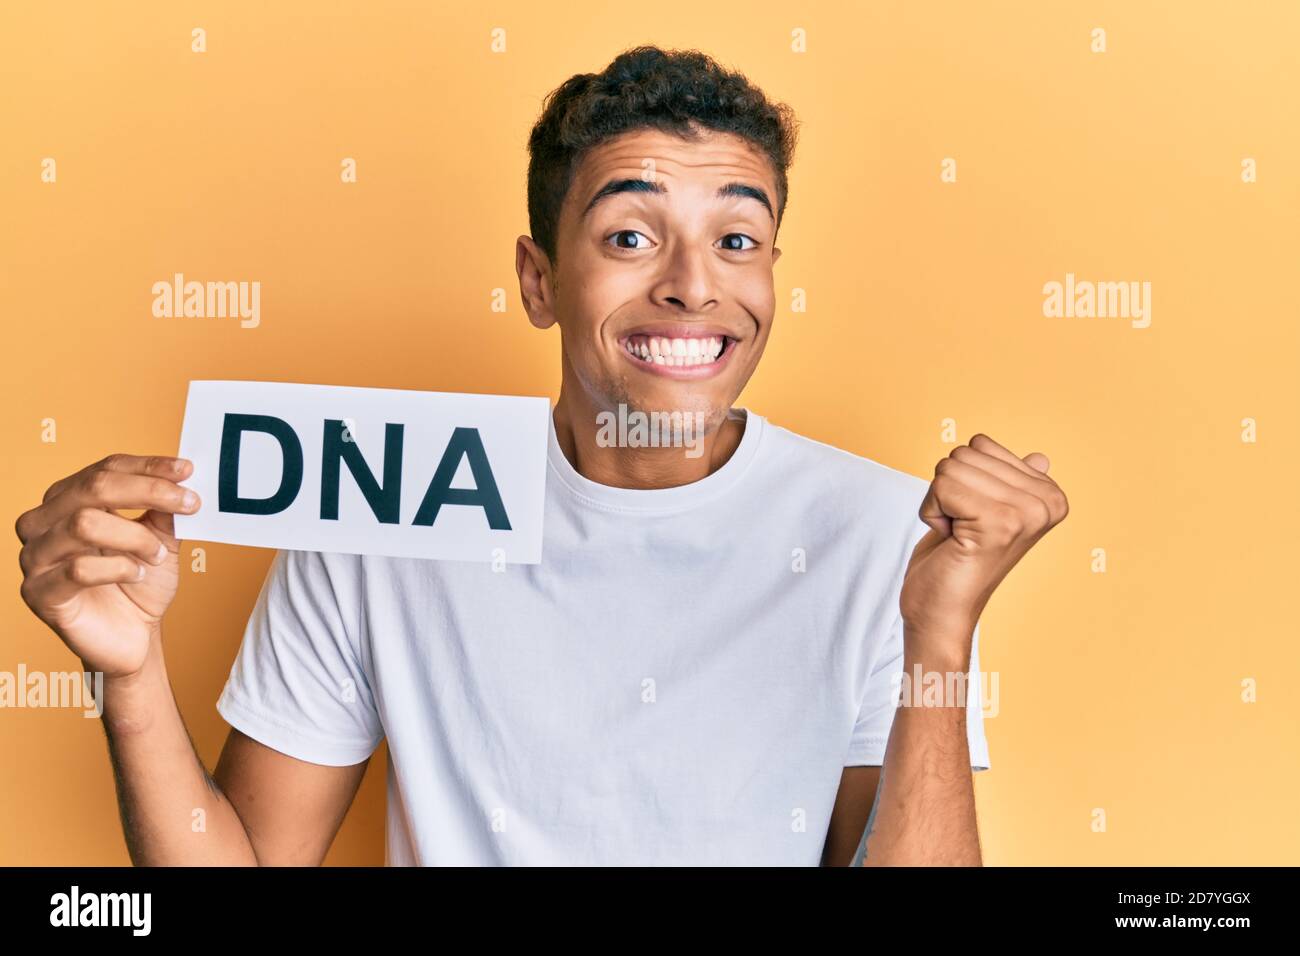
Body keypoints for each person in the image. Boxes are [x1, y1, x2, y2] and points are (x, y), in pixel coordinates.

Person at [14, 45, 1068, 866]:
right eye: (629, 236)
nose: (694, 284)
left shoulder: (887, 535)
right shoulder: (381, 498)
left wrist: (940, 634)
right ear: (537, 279)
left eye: (737, 240)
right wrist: (131, 673)